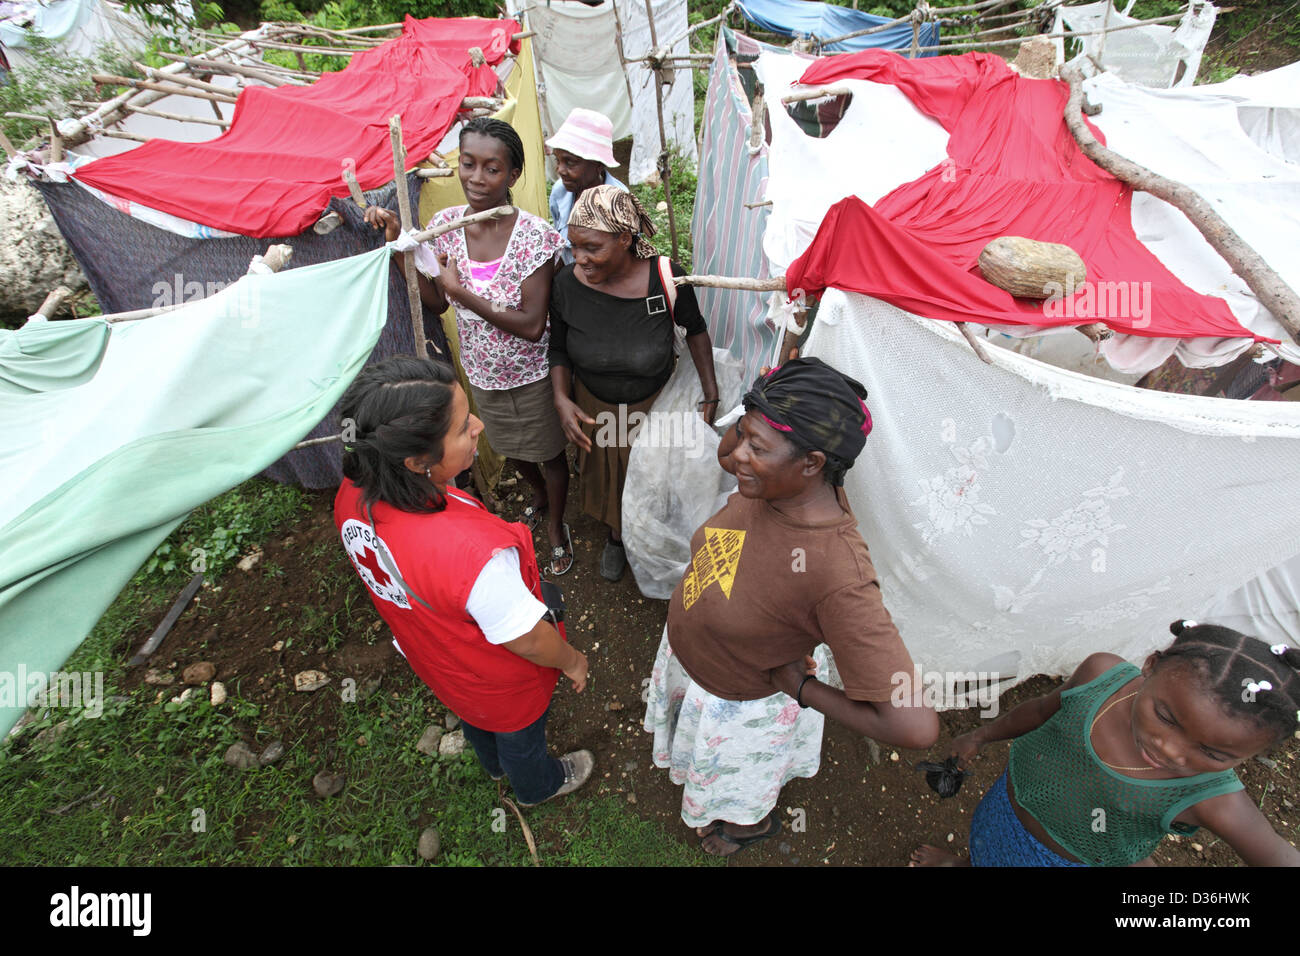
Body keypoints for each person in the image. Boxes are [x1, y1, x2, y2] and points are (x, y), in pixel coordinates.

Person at [643, 357, 939, 856]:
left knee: (736, 794)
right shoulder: (766, 483)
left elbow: (914, 724)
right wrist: (752, 423)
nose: (736, 454)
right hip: (697, 661)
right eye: (742, 432)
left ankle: (744, 826)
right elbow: (731, 452)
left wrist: (801, 687)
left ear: (813, 462)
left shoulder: (837, 572)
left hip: (738, 702)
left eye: (756, 446)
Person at [333, 356, 593, 807]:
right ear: (416, 461)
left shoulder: (354, 492)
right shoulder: (472, 559)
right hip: (502, 681)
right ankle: (538, 786)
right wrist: (571, 660)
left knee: (474, 712)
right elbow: (530, 640)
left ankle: (491, 764)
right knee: (519, 734)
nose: (478, 425)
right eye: (460, 428)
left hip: (438, 660)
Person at [910, 620, 1300, 867]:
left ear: (1251, 756)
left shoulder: (1213, 799)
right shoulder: (1101, 675)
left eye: (1214, 753)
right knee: (984, 849)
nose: (1171, 750)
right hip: (1006, 809)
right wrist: (979, 735)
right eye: (1165, 717)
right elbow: (1042, 708)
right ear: (1150, 666)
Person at [365, 117, 574, 576]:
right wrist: (403, 247)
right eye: (468, 164)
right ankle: (537, 496)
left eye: (492, 168)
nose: (477, 178)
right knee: (512, 449)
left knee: (549, 452)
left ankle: (557, 524)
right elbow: (437, 302)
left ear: (514, 175)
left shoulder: (535, 236)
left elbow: (533, 326)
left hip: (533, 373)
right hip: (481, 372)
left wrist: (461, 292)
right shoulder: (443, 227)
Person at [548, 185, 719, 581]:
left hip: (654, 405)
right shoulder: (566, 285)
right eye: (574, 247)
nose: (581, 259)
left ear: (625, 238)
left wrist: (710, 392)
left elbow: (695, 330)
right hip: (596, 407)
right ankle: (618, 535)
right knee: (611, 475)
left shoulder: (665, 277)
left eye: (592, 247)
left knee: (656, 476)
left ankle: (655, 536)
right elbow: (557, 347)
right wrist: (561, 398)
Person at [545, 108, 627, 265]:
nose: (561, 170)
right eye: (558, 160)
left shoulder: (619, 202)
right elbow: (561, 248)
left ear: (598, 165)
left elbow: (625, 260)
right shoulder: (560, 192)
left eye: (570, 162)